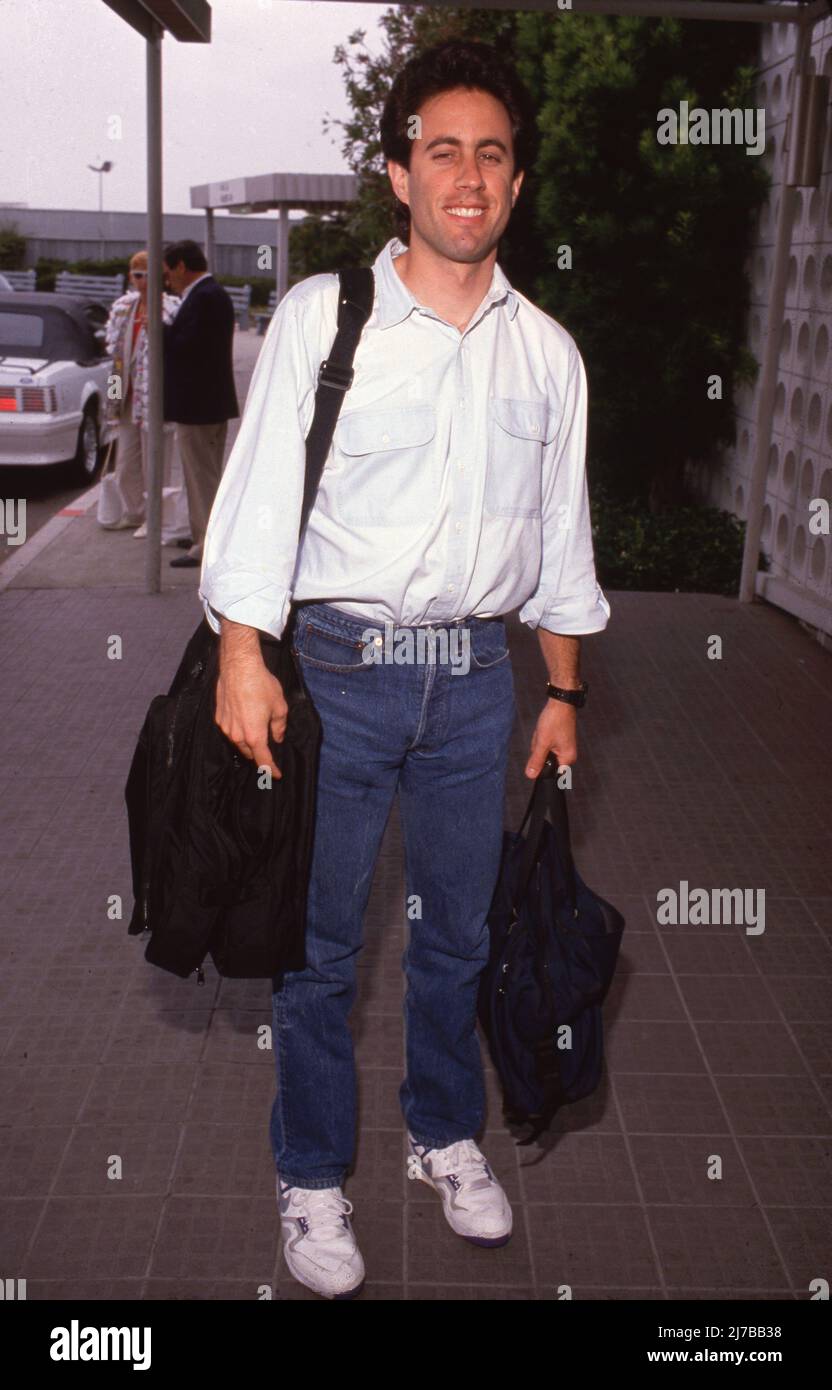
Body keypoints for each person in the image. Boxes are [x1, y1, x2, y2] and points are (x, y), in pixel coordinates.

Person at [198, 39, 611, 1300]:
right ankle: (312, 1173)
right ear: (398, 173)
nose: (468, 175)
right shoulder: (329, 317)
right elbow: (261, 494)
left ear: (517, 183)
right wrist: (240, 651)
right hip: (334, 669)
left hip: (477, 681)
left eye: (492, 153)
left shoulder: (547, 353)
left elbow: (562, 546)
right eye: (443, 150)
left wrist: (563, 692)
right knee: (318, 949)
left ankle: (442, 1136)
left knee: (455, 940)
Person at [162, 240, 239, 568]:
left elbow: (187, 347)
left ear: (181, 266)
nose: (167, 281)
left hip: (199, 405)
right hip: (207, 403)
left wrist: (161, 328)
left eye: (168, 273)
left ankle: (206, 543)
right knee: (203, 475)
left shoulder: (204, 296)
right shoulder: (210, 294)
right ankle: (202, 535)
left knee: (201, 477)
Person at [101, 250, 187, 540]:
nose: (142, 281)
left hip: (154, 396)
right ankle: (134, 511)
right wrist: (113, 399)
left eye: (148, 275)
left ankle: (155, 517)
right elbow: (115, 354)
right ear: (130, 276)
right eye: (138, 275)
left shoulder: (170, 307)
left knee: (156, 460)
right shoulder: (124, 307)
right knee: (126, 461)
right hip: (126, 395)